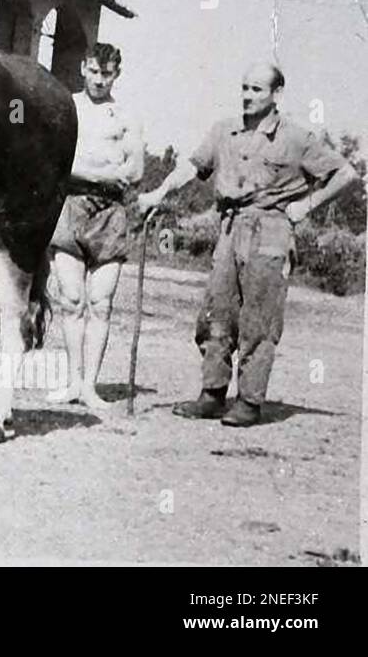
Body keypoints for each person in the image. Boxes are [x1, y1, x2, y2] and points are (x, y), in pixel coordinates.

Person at [137, 62, 356, 426]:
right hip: (228, 226)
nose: (248, 95)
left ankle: (250, 401)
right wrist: (159, 192)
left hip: (270, 229)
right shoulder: (225, 130)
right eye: (244, 88)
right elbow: (193, 165)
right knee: (216, 311)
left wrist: (308, 205)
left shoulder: (296, 137)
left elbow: (345, 173)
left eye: (256, 90)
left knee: (259, 317)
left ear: (276, 95)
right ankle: (212, 394)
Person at [47, 43, 144, 410]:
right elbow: (56, 162)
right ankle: (72, 382)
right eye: (93, 71)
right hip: (70, 207)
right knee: (71, 300)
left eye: (107, 74)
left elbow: (134, 171)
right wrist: (99, 174)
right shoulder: (66, 107)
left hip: (110, 215)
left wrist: (99, 176)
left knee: (101, 303)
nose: (99, 80)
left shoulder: (125, 115)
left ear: (116, 74)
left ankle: (90, 387)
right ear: (82, 69)